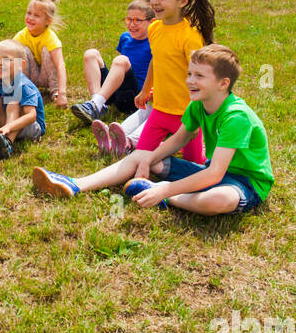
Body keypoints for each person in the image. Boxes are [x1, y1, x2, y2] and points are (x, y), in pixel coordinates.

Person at [32, 45, 271, 216]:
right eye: (189, 74)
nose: (190, 81)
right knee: (142, 155)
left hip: (244, 183)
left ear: (223, 84)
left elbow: (214, 175)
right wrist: (148, 160)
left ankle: (163, 196)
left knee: (219, 199)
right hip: (210, 173)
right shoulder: (198, 105)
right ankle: (76, 184)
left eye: (199, 76)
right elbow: (177, 140)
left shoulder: (236, 116)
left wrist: (164, 189)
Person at [127, 0, 215, 163]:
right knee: (141, 157)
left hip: (187, 114)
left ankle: (211, 148)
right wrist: (144, 90)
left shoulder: (189, 36)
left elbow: (202, 76)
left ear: (182, 1)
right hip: (159, 110)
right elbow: (155, 60)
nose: (155, 2)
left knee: (194, 163)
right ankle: (165, 150)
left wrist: (201, 112)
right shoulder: (154, 28)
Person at [71, 0, 153, 139]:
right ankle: (97, 105)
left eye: (137, 20)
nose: (132, 24)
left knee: (121, 60)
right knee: (90, 54)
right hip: (116, 92)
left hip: (136, 98)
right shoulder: (125, 37)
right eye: (129, 19)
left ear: (152, 22)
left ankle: (97, 104)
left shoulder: (154, 41)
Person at [13, 0, 68, 107]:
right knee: (20, 52)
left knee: (48, 52)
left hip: (47, 76)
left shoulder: (50, 38)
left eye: (36, 15)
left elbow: (60, 65)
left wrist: (62, 93)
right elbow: (7, 59)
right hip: (31, 76)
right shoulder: (21, 36)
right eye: (29, 13)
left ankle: (55, 91)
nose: (30, 18)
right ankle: (24, 88)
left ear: (48, 21)